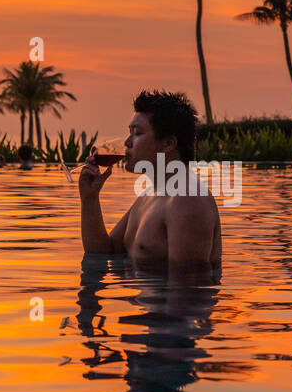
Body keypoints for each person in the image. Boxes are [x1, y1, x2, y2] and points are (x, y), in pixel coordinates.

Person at [79, 90, 222, 270]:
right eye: (129, 133)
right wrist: (89, 198)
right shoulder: (150, 195)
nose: (127, 143)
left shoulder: (188, 201)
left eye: (137, 133)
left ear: (168, 144)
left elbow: (188, 293)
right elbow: (104, 253)